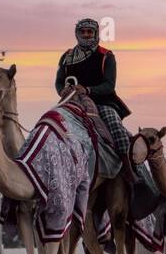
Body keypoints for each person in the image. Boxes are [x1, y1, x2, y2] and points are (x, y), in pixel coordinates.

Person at [54, 17, 132, 158]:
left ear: (96, 33)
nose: (85, 35)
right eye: (82, 31)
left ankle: (128, 169)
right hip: (73, 101)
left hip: (102, 102)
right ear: (77, 33)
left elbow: (109, 85)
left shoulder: (106, 56)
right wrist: (62, 91)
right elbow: (59, 81)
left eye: (89, 31)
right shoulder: (67, 56)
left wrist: (87, 90)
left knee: (116, 127)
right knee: (50, 121)